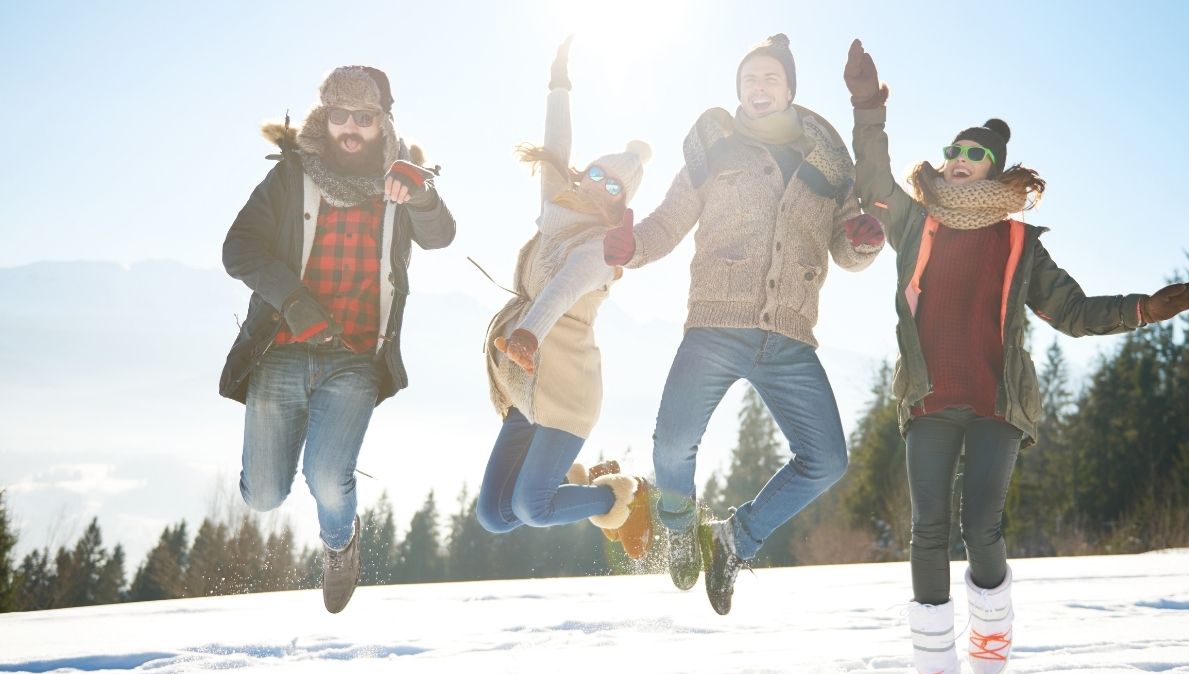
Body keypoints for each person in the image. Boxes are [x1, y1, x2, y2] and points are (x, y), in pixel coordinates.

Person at [844, 39, 1189, 674]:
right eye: (954, 149)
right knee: (928, 531)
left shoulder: (1018, 243)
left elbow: (1071, 312)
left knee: (981, 526)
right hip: (927, 400)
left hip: (996, 404)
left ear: (995, 170)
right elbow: (872, 179)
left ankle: (992, 624)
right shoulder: (915, 224)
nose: (958, 159)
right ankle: (935, 673)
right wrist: (868, 107)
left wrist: (1144, 311)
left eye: (974, 153)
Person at [603, 33, 886, 615]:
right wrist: (630, 247)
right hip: (716, 326)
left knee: (827, 460)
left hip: (789, 337)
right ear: (738, 90)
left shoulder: (830, 166)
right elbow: (665, 225)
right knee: (674, 445)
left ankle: (737, 539)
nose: (758, 88)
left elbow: (849, 250)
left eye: (770, 78)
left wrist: (865, 242)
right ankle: (682, 526)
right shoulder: (715, 150)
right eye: (749, 80)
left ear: (789, 89)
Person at [220, 65, 456, 613]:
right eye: (339, 114)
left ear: (384, 120)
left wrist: (420, 197)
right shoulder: (293, 175)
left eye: (364, 116)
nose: (350, 127)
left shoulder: (404, 179)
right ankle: (278, 446)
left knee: (327, 475)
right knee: (263, 496)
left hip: (355, 356)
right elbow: (239, 248)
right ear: (325, 115)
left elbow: (442, 236)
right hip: (281, 348)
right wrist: (294, 302)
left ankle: (339, 543)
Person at [480, 38, 654, 559]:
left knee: (533, 507)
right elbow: (556, 145)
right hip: (525, 383)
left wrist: (528, 332)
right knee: (494, 515)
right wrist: (560, 81)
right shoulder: (556, 212)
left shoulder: (603, 248)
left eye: (615, 188)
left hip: (566, 392)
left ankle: (624, 494)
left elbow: (562, 289)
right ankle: (584, 481)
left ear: (621, 204)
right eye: (596, 174)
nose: (600, 186)